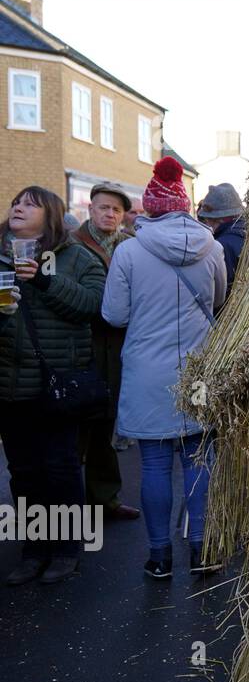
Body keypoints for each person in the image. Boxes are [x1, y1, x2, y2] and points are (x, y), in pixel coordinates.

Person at [102, 156, 227, 578]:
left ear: (150, 207)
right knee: (197, 460)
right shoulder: (213, 248)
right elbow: (217, 301)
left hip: (147, 370)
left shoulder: (129, 251)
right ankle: (201, 549)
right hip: (199, 371)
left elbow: (114, 315)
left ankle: (159, 557)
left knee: (155, 465)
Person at [0, 187, 105, 585]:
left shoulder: (77, 257)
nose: (18, 207)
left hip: (56, 384)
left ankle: (65, 549)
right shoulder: (0, 253)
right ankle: (33, 550)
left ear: (52, 215)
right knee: (23, 472)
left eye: (30, 203)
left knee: (60, 468)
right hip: (9, 384)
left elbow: (94, 305)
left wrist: (45, 281)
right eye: (16, 202)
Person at [71, 182, 139, 521]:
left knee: (105, 422)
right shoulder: (71, 245)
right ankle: (67, 510)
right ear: (91, 209)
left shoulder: (131, 246)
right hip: (81, 345)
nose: (110, 214)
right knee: (74, 430)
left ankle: (105, 498)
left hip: (118, 347)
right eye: (103, 207)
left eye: (116, 209)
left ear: (123, 215)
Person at [196, 183, 246, 285]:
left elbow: (223, 288)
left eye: (208, 218)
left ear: (220, 219)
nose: (207, 223)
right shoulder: (248, 231)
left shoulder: (222, 245)